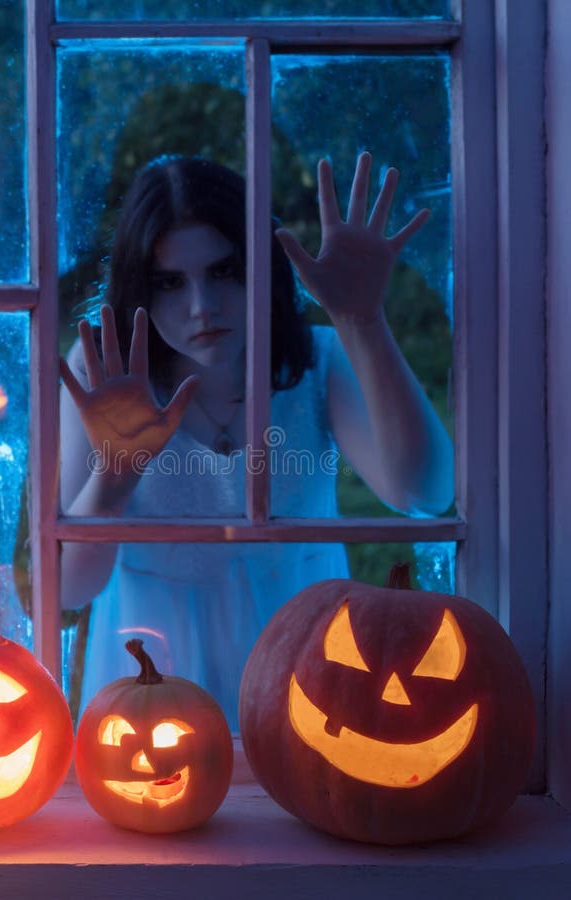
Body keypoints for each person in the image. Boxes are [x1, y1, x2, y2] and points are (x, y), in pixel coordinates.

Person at [59, 152, 454, 729]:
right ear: (139, 287)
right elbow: (69, 589)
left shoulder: (316, 361)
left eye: (223, 271)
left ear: (259, 265)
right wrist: (113, 481)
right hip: (151, 701)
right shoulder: (104, 374)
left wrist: (363, 320)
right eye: (171, 282)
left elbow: (424, 492)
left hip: (309, 688)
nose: (203, 307)